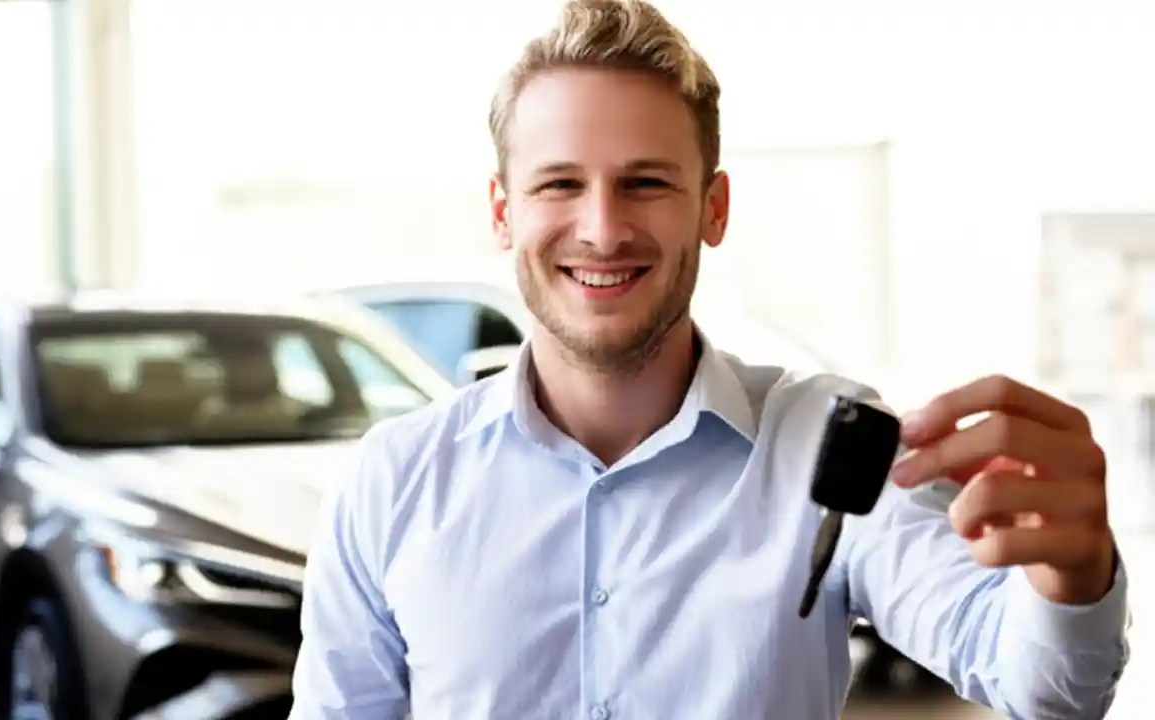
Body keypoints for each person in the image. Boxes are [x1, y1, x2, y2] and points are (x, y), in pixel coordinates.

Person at [289, 1, 1130, 717]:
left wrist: (1074, 574)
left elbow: (1041, 686)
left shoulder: (823, 445)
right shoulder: (393, 480)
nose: (604, 227)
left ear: (713, 208)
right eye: (560, 184)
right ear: (503, 212)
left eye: (647, 182)